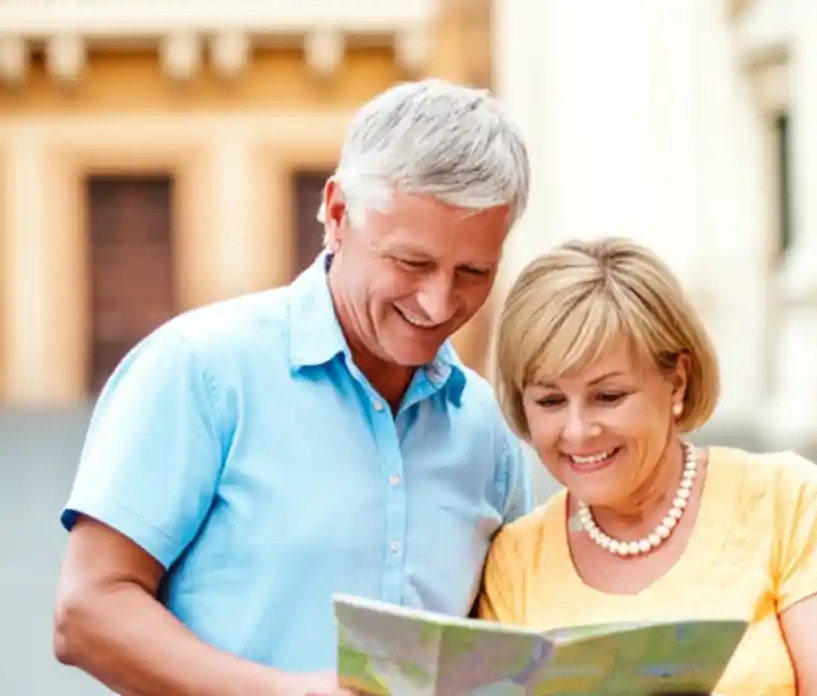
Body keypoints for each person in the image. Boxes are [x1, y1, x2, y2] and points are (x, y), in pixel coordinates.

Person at [52, 78, 535, 696]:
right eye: (411, 263)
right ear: (337, 215)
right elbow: (87, 613)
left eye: (473, 272)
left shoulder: (485, 427)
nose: (440, 302)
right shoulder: (202, 371)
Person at [477, 237, 817, 695]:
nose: (577, 430)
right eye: (550, 400)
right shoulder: (514, 559)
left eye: (608, 396)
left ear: (677, 381)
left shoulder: (786, 500)